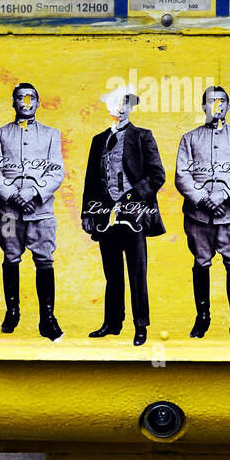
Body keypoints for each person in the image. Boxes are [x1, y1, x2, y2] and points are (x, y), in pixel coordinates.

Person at [174, 86, 230, 346]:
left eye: (222, 101)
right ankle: (202, 317)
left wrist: (223, 198)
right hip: (198, 216)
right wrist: (204, 199)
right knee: (201, 262)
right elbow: (181, 175)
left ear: (228, 106)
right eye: (211, 102)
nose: (217, 106)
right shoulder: (189, 138)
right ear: (203, 107)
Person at [81, 84, 165, 346]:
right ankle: (112, 322)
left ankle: (141, 326)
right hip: (105, 215)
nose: (121, 107)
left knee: (137, 273)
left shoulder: (142, 136)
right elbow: (91, 181)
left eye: (126, 102)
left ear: (131, 107)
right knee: (112, 273)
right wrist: (88, 212)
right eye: (117, 102)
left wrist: (131, 196)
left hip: (134, 214)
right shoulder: (98, 140)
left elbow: (157, 175)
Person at [0, 82, 65, 340]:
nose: (26, 102)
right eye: (20, 98)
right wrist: (13, 195)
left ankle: (47, 318)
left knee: (44, 259)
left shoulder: (51, 134)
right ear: (13, 103)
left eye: (31, 98)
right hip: (8, 212)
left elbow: (56, 171)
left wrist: (34, 192)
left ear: (38, 103)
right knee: (11, 257)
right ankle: (13, 311)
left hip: (41, 212)